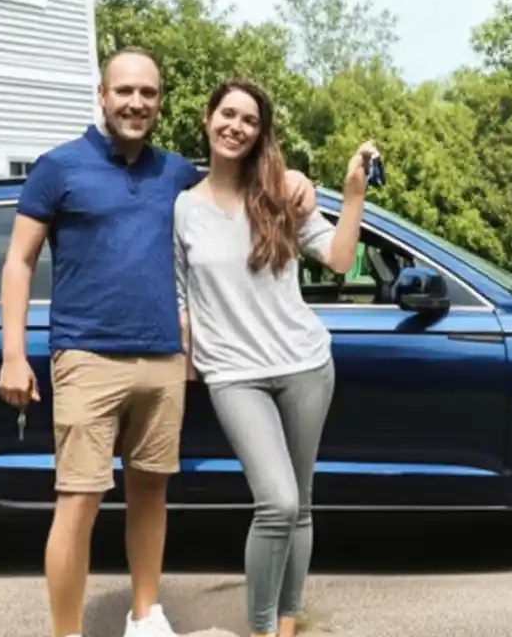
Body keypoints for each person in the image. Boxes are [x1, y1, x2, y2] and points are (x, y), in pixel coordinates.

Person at [0, 49, 318, 637]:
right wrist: (13, 355)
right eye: (124, 91)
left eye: (148, 94)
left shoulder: (174, 174)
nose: (136, 103)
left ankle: (145, 618)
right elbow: (19, 261)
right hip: (87, 356)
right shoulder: (57, 168)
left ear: (161, 103)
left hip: (164, 361)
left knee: (150, 495)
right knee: (79, 501)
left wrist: (296, 176)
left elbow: (239, 178)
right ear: (102, 95)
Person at [173, 79, 373, 637]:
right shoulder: (183, 209)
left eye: (250, 120)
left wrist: (353, 192)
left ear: (261, 133)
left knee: (301, 505)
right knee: (277, 503)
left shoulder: (281, 193)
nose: (237, 127)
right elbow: (181, 297)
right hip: (234, 375)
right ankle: (261, 630)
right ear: (208, 118)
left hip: (305, 365)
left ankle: (288, 625)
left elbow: (338, 259)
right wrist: (186, 368)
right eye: (228, 115)